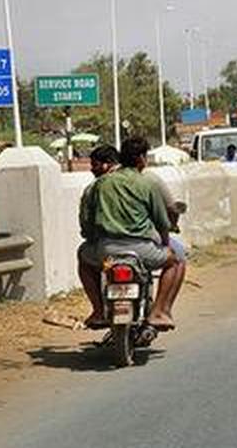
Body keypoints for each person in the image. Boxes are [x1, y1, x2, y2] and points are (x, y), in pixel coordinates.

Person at [76, 137, 186, 330]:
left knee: (83, 257)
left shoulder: (99, 185)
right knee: (175, 261)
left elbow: (86, 224)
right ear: (142, 159)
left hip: (106, 253)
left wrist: (96, 240)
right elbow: (162, 222)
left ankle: (99, 311)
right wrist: (165, 244)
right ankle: (159, 311)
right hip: (143, 251)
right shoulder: (147, 183)